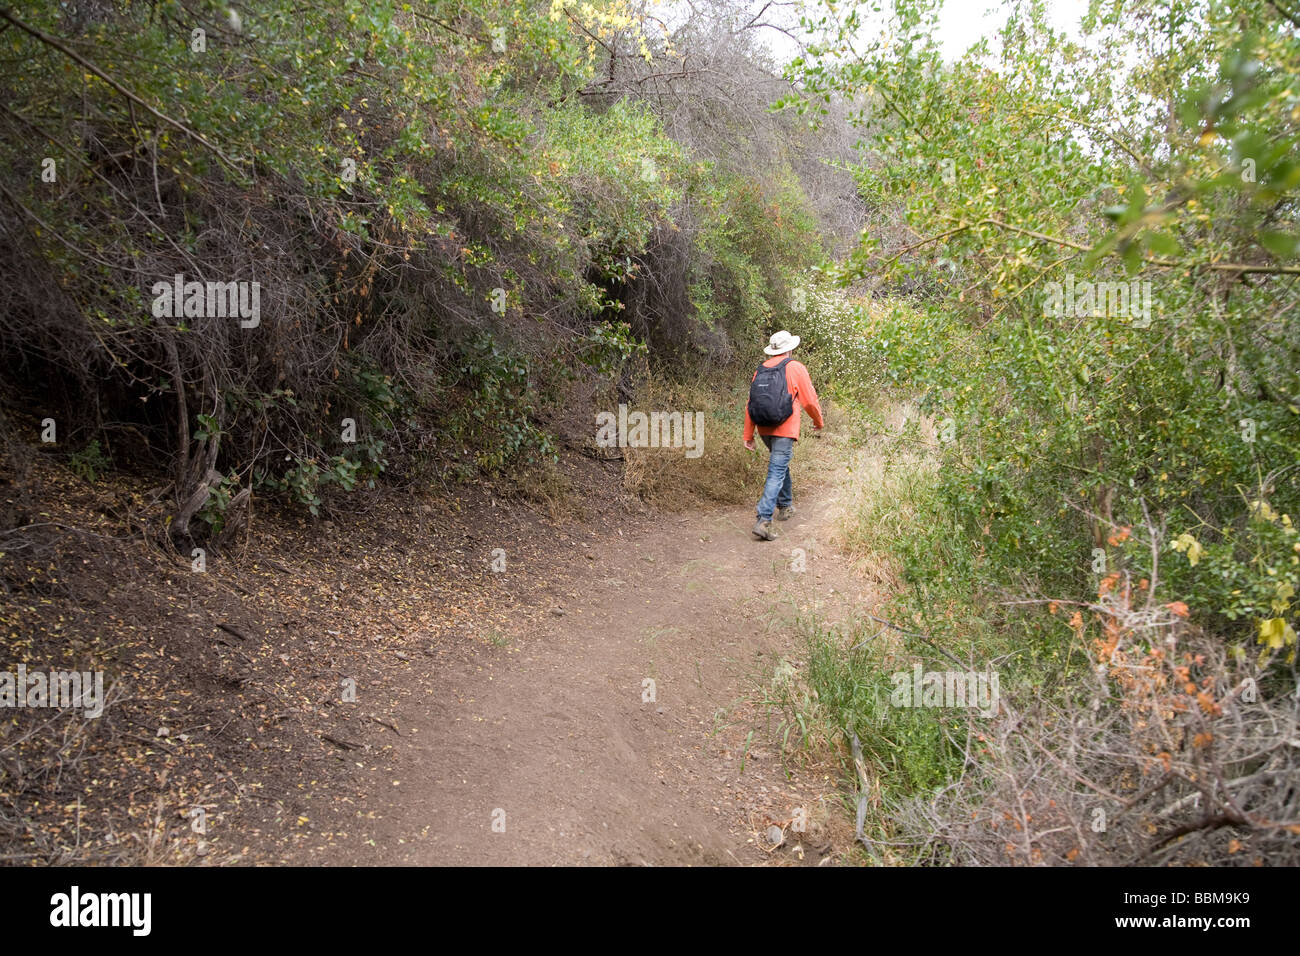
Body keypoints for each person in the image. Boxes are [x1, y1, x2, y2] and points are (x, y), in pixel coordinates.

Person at [743, 330, 823, 541]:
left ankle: (785, 506)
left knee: (780, 465)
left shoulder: (760, 370)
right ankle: (763, 519)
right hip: (785, 430)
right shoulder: (795, 367)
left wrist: (748, 434)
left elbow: (751, 404)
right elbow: (810, 401)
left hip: (764, 428)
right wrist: (818, 422)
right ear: (790, 349)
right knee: (777, 470)